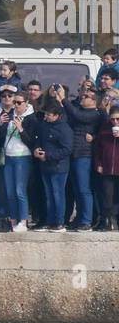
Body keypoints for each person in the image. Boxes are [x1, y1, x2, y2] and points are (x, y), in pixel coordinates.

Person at [66, 87, 102, 231]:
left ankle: (86, 220)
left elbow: (77, 116)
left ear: (94, 101)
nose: (83, 96)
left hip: (84, 155)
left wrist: (63, 99)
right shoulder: (79, 111)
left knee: (84, 189)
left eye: (87, 96)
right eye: (83, 94)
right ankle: (79, 218)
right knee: (76, 189)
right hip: (74, 154)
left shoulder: (94, 114)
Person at [33, 100, 72, 232]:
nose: (46, 117)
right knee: (49, 195)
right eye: (46, 114)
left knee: (58, 194)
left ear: (57, 116)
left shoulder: (64, 128)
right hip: (45, 166)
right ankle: (50, 222)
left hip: (58, 167)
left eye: (49, 115)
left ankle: (60, 222)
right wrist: (37, 149)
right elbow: (39, 140)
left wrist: (48, 155)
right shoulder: (44, 125)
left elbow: (67, 149)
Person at [94, 105, 119, 230]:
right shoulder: (105, 128)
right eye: (113, 119)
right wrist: (98, 164)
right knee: (107, 195)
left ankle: (115, 219)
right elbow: (98, 148)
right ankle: (108, 220)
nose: (115, 121)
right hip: (107, 167)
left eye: (118, 119)